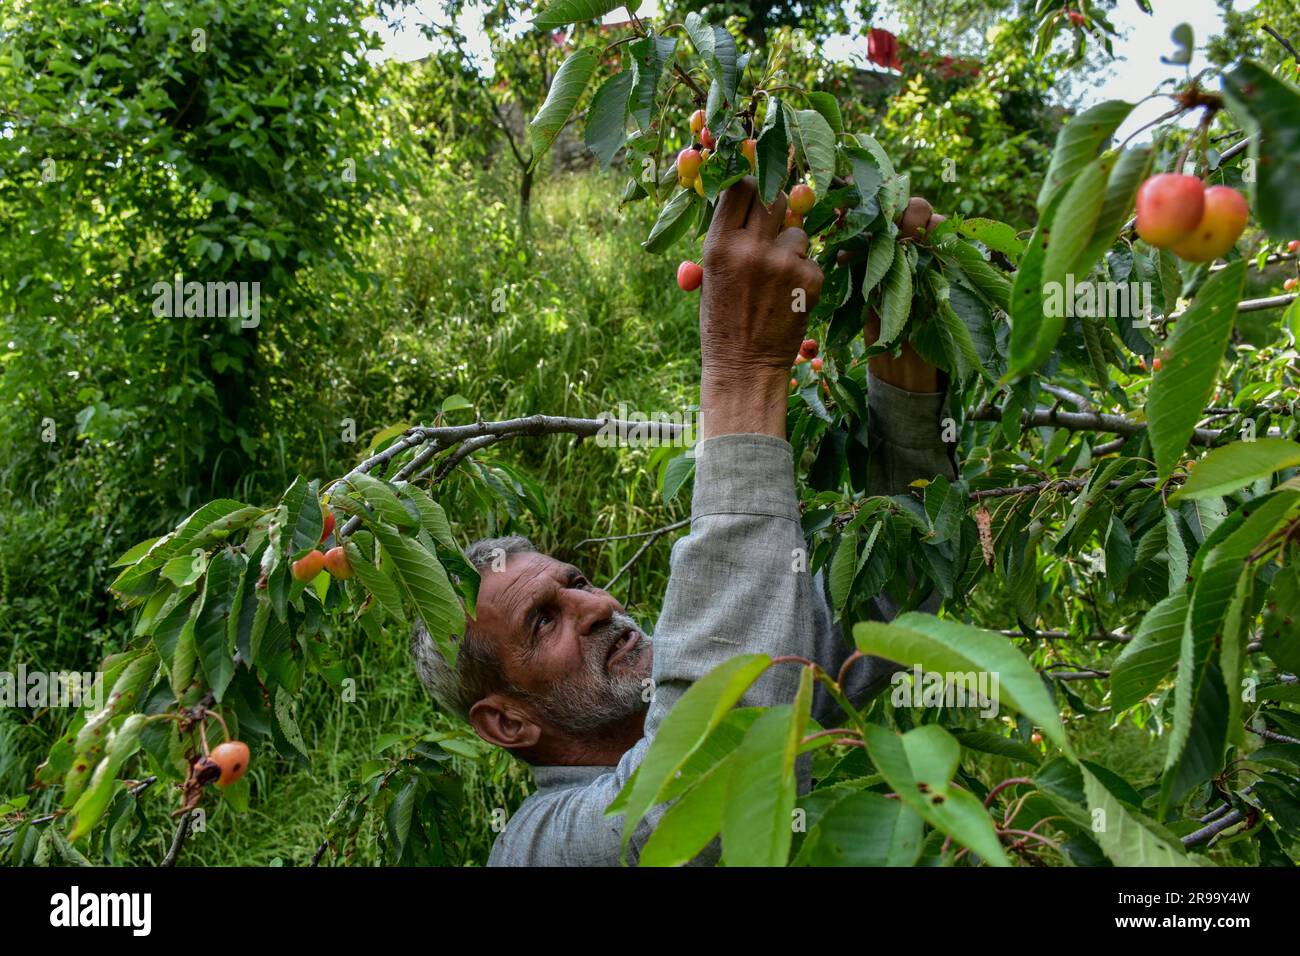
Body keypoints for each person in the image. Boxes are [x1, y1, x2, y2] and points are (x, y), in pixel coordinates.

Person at [411, 178, 956, 865]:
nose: (598, 604)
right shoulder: (532, 847)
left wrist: (902, 369)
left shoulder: (731, 668)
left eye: (576, 580)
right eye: (542, 621)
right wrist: (742, 373)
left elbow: (892, 606)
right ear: (507, 721)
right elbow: (687, 807)